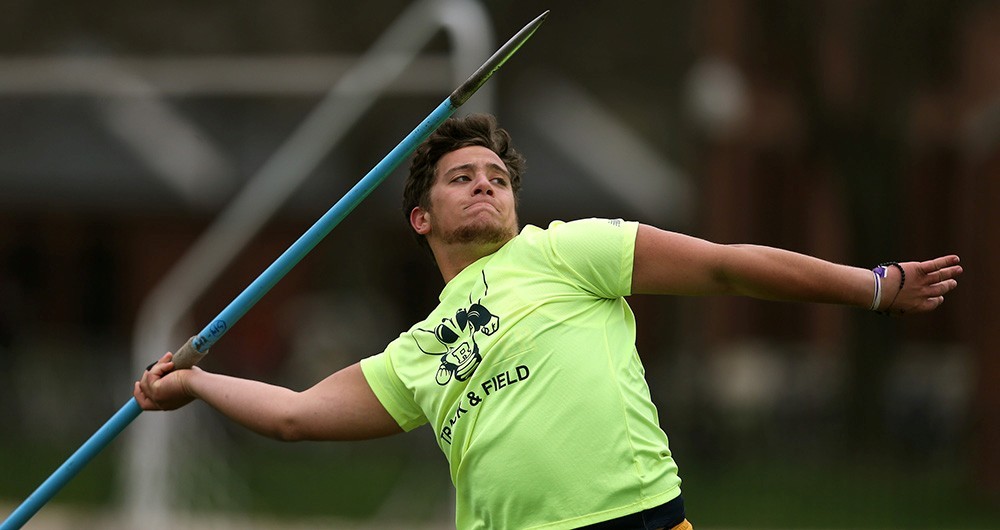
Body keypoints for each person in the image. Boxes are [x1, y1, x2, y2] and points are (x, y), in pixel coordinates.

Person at [135, 114, 962, 530]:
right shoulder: (417, 351)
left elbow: (724, 263)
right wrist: (198, 382)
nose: (486, 185)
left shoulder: (565, 252)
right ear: (421, 219)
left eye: (497, 176)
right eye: (462, 178)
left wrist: (874, 286)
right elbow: (293, 417)